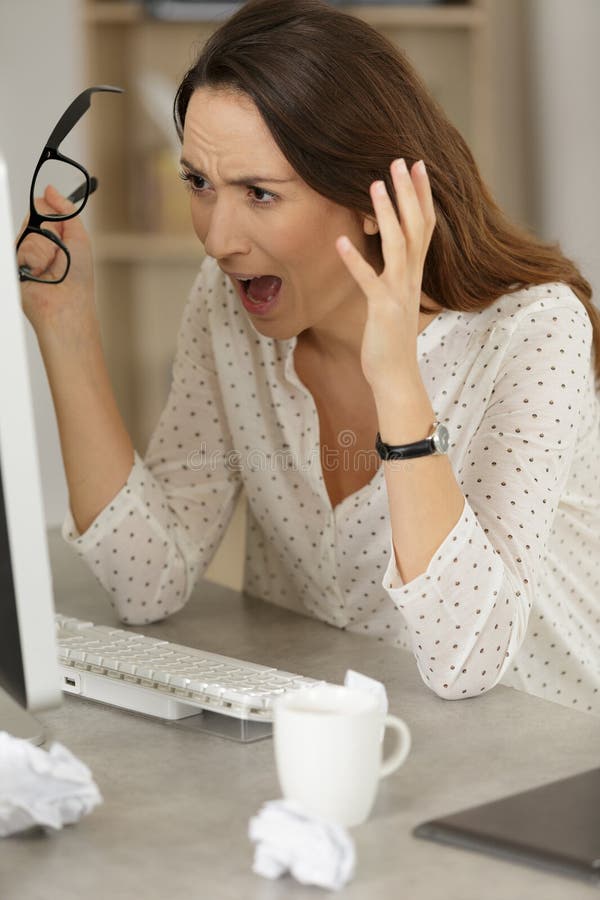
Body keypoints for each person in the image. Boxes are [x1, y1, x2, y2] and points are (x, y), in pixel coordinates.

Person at [19, 0, 600, 715]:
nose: (218, 239)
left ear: (373, 198)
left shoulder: (534, 331)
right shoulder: (226, 307)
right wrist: (65, 324)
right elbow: (147, 583)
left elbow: (468, 661)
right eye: (199, 183)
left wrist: (396, 376)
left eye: (260, 194)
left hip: (542, 746)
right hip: (338, 738)